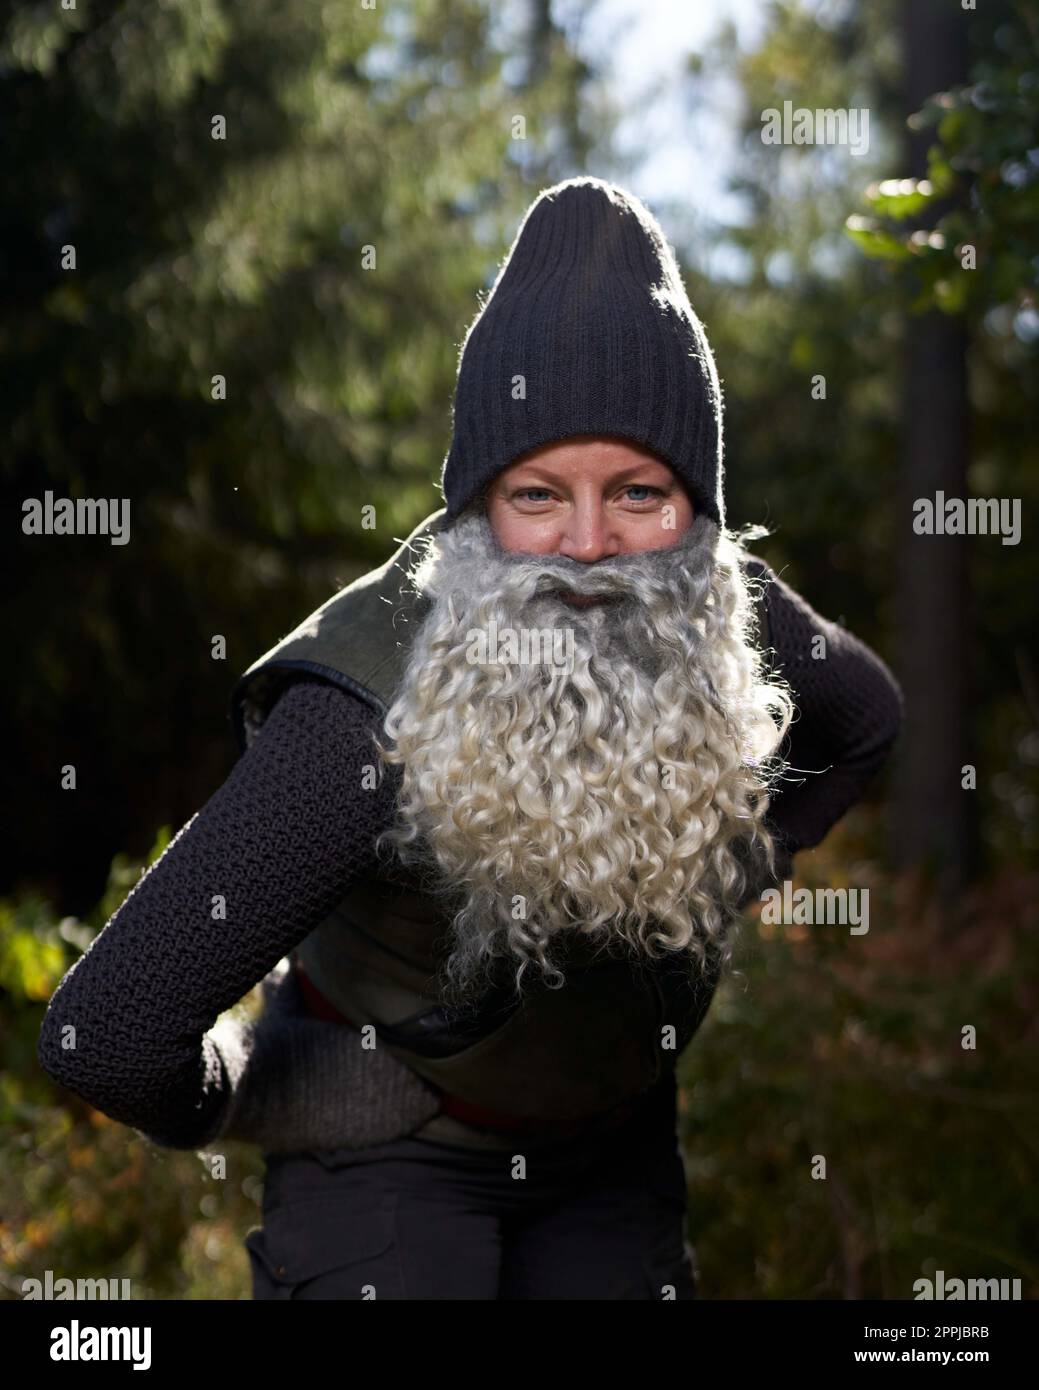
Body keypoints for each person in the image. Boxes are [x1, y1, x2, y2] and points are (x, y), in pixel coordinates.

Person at [37, 176, 904, 1300]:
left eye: (639, 491)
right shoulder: (366, 706)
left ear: (700, 511)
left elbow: (864, 722)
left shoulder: (705, 598)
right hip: (393, 1165)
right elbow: (104, 1033)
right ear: (473, 506)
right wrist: (275, 1089)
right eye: (538, 493)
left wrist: (726, 861)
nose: (590, 549)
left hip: (616, 1153)